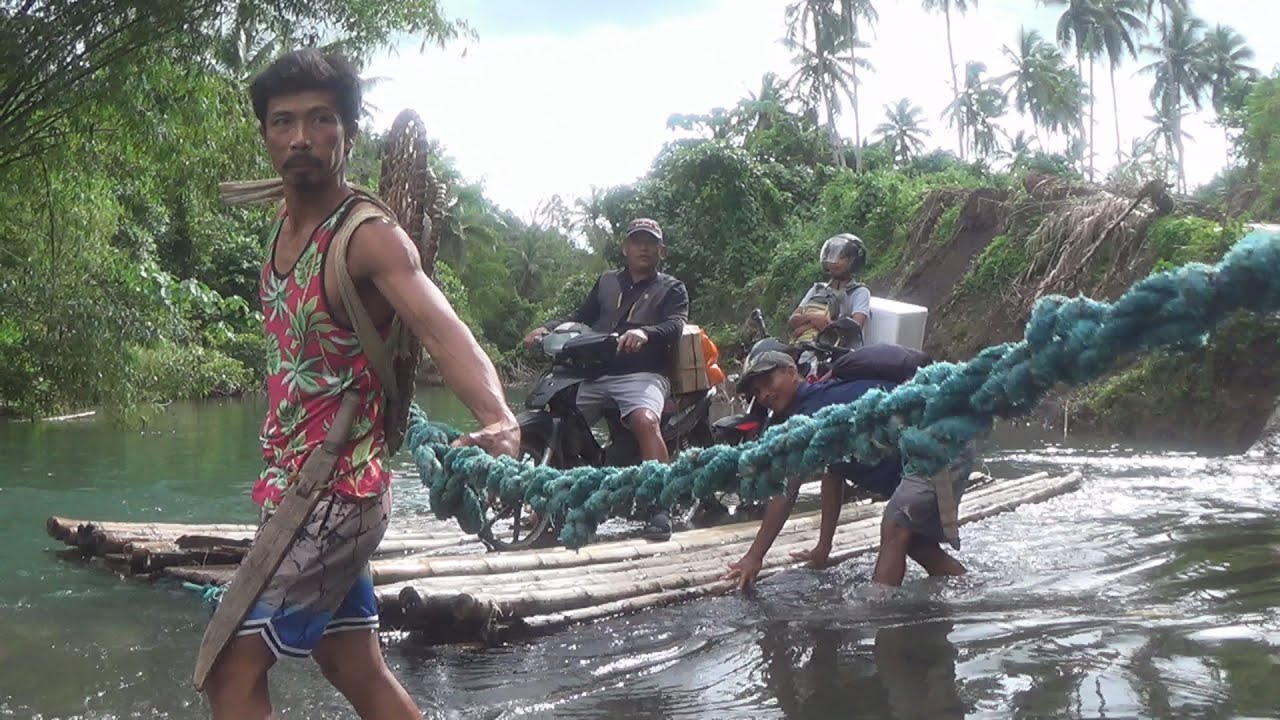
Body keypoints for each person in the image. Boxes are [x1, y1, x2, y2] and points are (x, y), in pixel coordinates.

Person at [204, 49, 519, 720]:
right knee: (351, 664)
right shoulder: (283, 230)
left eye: (321, 120)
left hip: (337, 494)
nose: (299, 138)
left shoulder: (368, 238)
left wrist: (498, 414)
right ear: (264, 134)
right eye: (282, 122)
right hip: (292, 485)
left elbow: (443, 329)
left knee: (228, 671)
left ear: (348, 133)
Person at [723, 350, 973, 591]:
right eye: (757, 391)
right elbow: (834, 473)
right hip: (940, 442)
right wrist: (824, 547)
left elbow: (785, 493)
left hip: (938, 442)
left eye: (768, 381)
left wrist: (754, 557)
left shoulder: (813, 412)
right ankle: (970, 590)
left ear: (792, 373)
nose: (765, 393)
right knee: (915, 543)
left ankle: (879, 612)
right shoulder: (807, 413)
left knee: (895, 526)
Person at [523, 217, 690, 540]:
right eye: (637, 241)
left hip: (642, 374)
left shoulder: (671, 288)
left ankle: (661, 505)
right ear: (625, 247)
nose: (643, 247)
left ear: (661, 250)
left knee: (644, 420)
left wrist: (645, 332)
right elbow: (581, 318)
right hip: (596, 373)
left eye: (651, 242)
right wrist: (547, 328)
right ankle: (551, 501)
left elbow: (675, 325)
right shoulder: (606, 283)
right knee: (560, 415)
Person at [788, 234, 872, 376]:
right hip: (804, 353)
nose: (834, 262)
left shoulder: (859, 293)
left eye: (841, 257)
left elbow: (854, 326)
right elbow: (792, 321)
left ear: (854, 261)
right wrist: (814, 318)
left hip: (835, 360)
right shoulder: (817, 289)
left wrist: (805, 326)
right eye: (831, 256)